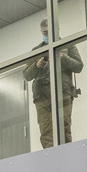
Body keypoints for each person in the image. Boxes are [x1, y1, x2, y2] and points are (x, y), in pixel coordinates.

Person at [27, 19, 82, 147]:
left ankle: (66, 157)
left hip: (63, 92)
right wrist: (37, 65)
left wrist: (63, 57)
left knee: (64, 128)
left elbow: (79, 66)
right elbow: (27, 75)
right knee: (46, 132)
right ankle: (51, 161)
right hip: (42, 95)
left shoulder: (67, 45)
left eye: (49, 32)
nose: (46, 35)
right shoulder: (36, 50)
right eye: (44, 32)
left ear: (56, 30)